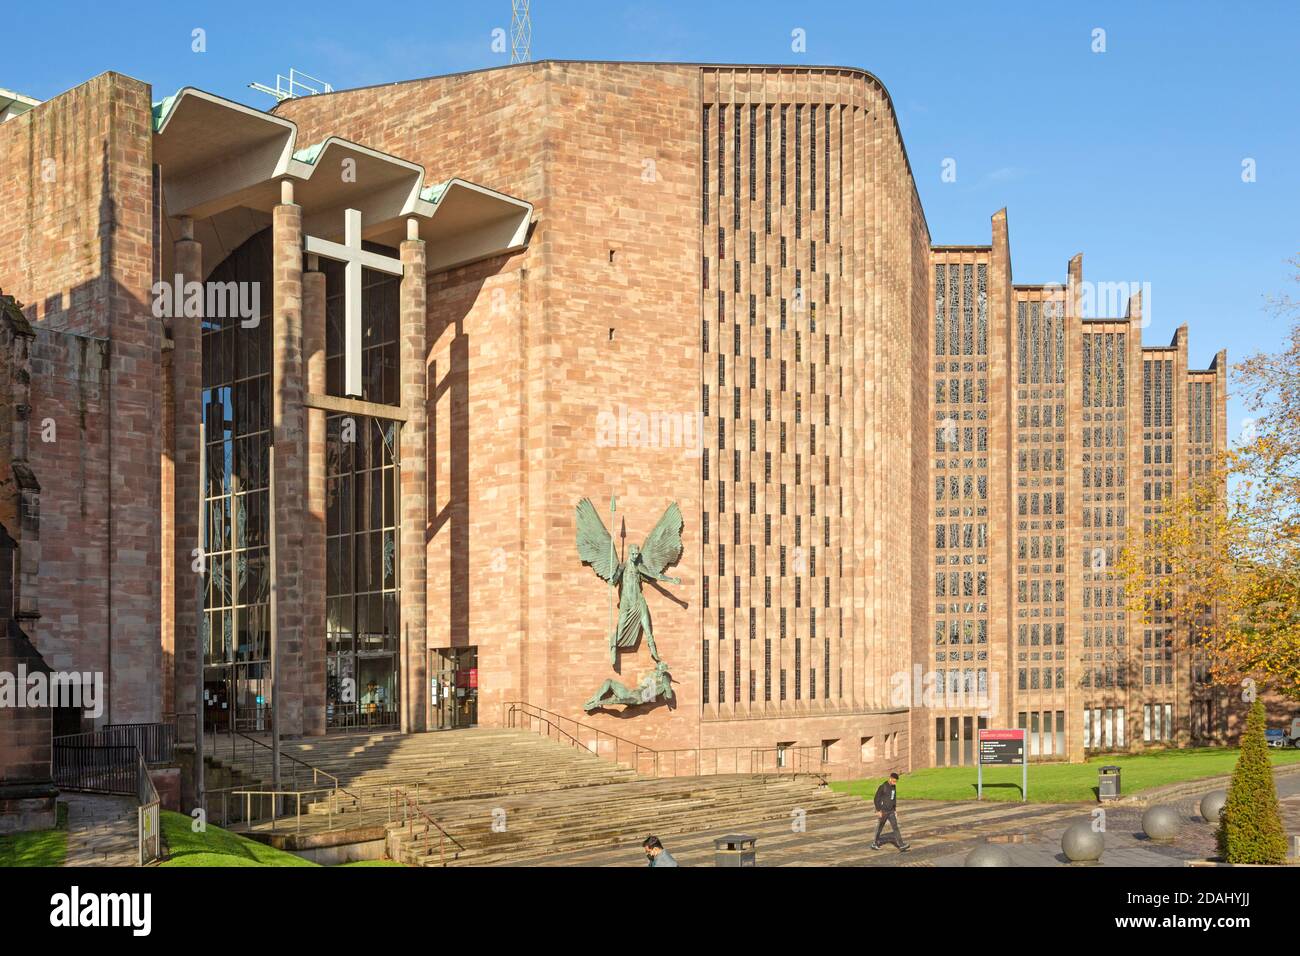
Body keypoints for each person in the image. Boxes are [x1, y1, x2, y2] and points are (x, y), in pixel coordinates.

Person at [870, 772, 910, 851]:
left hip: (891, 811)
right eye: (894, 781)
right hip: (883, 811)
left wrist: (895, 810)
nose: (895, 783)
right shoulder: (883, 787)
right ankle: (874, 843)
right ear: (890, 778)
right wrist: (878, 811)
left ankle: (901, 845)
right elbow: (876, 799)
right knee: (879, 828)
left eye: (896, 781)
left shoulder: (893, 787)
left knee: (895, 828)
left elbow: (893, 798)